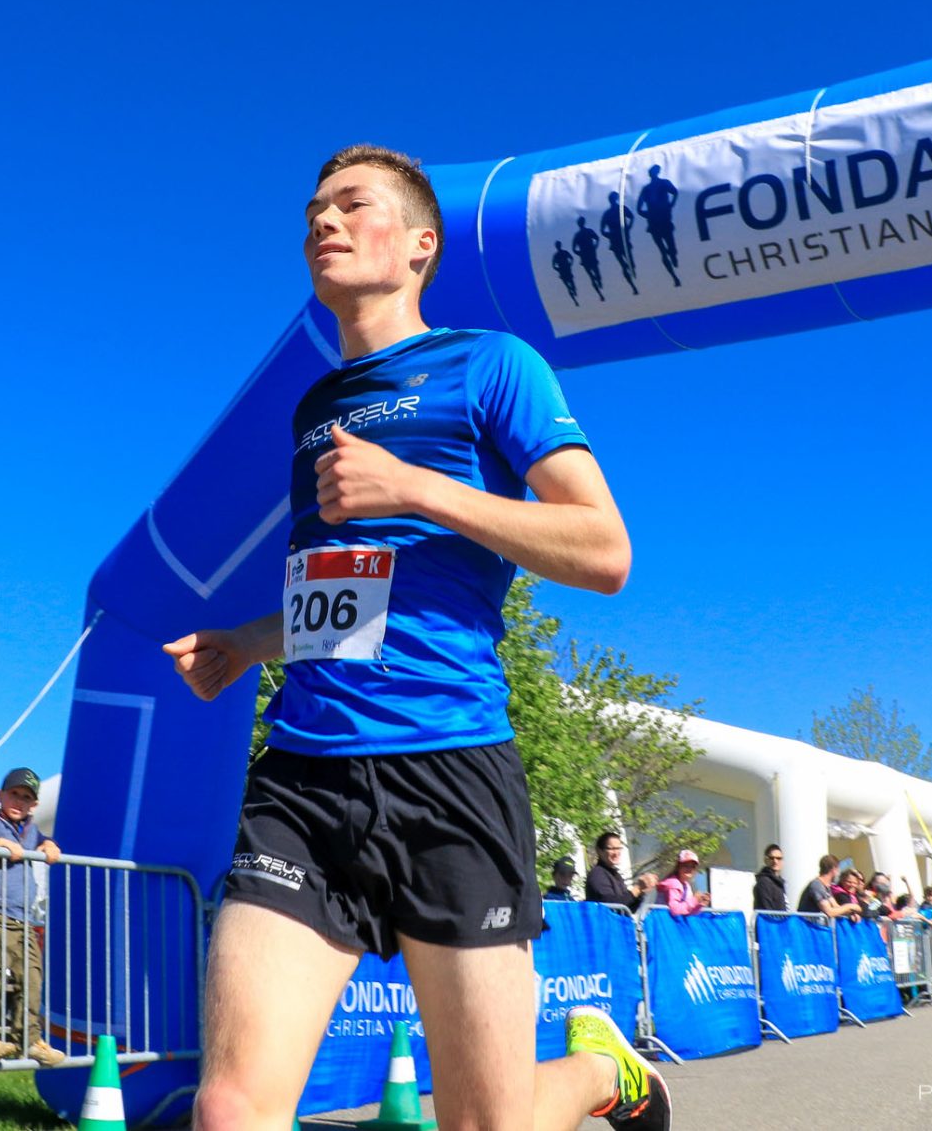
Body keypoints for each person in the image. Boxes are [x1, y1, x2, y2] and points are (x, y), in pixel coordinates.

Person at [161, 145, 661, 1131]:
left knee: (488, 1123)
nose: (322, 222)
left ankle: (602, 1074)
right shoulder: (317, 406)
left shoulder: (490, 364)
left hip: (449, 768)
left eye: (351, 204)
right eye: (313, 210)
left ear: (420, 243)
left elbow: (604, 550)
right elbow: (346, 594)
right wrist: (244, 642)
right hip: (305, 778)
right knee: (228, 1112)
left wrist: (416, 487)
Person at [0, 767, 61, 1065]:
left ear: (34, 805)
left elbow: (44, 842)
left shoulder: (30, 829)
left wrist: (49, 844)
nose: (19, 801)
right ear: (0, 795)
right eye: (14, 794)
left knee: (32, 976)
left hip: (22, 916)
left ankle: (29, 1038)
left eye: (26, 798)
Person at [582, 833, 642, 910]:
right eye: (612, 849)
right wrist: (637, 889)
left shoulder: (615, 875)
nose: (616, 853)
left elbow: (628, 906)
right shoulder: (597, 874)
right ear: (599, 851)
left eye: (618, 848)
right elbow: (611, 904)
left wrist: (641, 893)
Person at [798, 856, 859, 920]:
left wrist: (851, 914)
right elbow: (829, 912)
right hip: (806, 926)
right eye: (838, 869)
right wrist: (850, 906)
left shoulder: (827, 886)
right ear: (834, 869)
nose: (839, 872)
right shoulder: (817, 885)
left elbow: (835, 907)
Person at [655, 852, 709, 918]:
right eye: (686, 866)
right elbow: (675, 910)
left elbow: (687, 911)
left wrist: (699, 904)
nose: (689, 869)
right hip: (662, 920)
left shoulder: (686, 886)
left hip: (673, 921)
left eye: (692, 867)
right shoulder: (673, 883)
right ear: (678, 867)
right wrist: (694, 900)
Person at [751, 845, 787, 914]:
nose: (775, 861)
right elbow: (766, 912)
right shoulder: (764, 883)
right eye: (771, 858)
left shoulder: (779, 883)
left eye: (779, 858)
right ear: (765, 860)